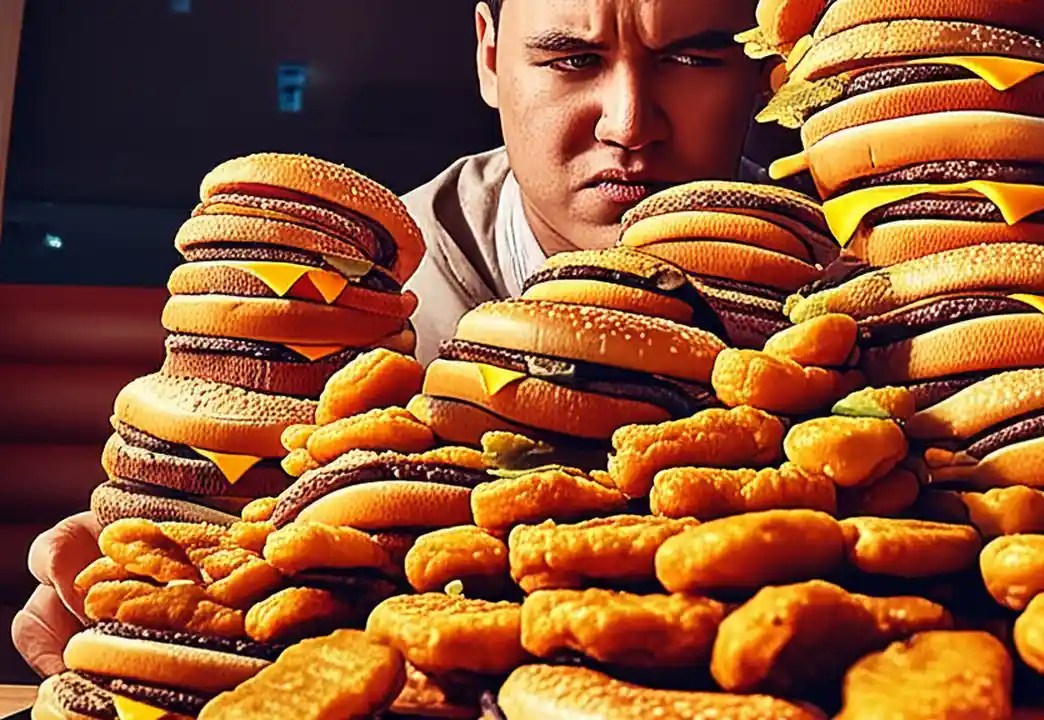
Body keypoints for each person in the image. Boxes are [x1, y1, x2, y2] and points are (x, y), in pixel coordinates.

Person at [14, 0, 773, 677]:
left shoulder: (846, 281)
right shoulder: (335, 300)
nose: (629, 123)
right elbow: (235, 517)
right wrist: (152, 545)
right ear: (488, 54)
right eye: (571, 59)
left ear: (759, 69)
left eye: (690, 59)